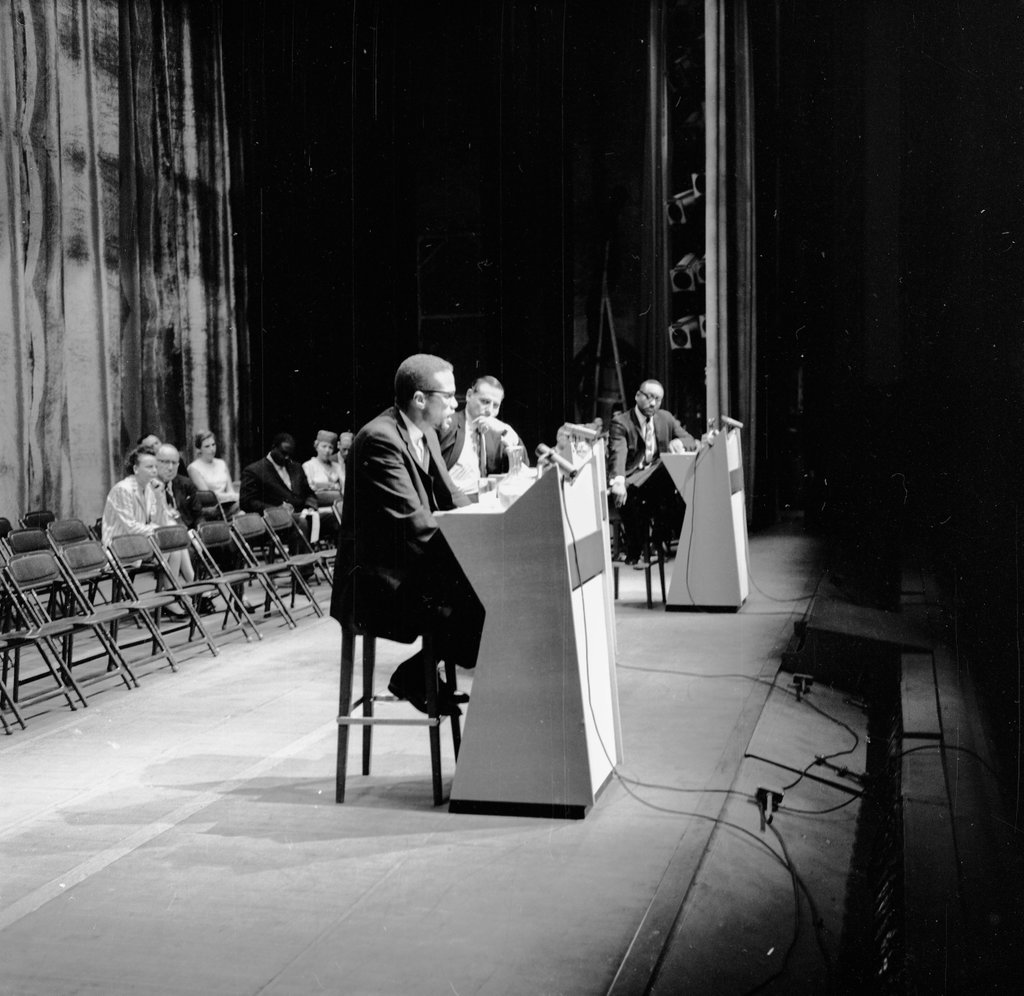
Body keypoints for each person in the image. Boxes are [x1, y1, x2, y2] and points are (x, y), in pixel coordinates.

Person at [330, 354, 484, 715]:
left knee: (489, 594)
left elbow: (451, 495)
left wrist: (483, 530)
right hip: (377, 585)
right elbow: (415, 525)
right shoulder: (379, 440)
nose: (455, 403)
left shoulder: (425, 431)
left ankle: (414, 673)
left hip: (409, 568)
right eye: (448, 396)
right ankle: (415, 675)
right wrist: (473, 557)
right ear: (419, 399)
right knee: (483, 599)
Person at [608, 379, 698, 564]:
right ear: (637, 396)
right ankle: (652, 542)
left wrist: (679, 442)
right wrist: (617, 481)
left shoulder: (665, 418)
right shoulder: (621, 423)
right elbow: (618, 453)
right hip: (632, 481)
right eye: (648, 397)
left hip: (656, 481)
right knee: (669, 487)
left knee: (672, 473)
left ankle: (658, 539)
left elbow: (690, 440)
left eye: (658, 399)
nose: (652, 403)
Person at [100, 446, 192, 600]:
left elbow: (160, 521)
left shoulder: (150, 489)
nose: (154, 471)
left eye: (156, 467)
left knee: (175, 548)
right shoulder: (123, 489)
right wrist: (157, 530)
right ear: (136, 469)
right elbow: (131, 527)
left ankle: (170, 594)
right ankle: (175, 593)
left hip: (142, 542)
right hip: (120, 546)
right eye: (149, 467)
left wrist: (159, 496)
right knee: (169, 544)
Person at [438, 375, 526, 500]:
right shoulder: (448, 423)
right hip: (453, 503)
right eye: (485, 402)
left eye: (495, 406)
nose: (490, 411)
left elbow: (522, 471)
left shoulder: (498, 432)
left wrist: (509, 433)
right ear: (469, 395)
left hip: (488, 501)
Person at [187, 431, 239, 516]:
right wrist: (234, 497)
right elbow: (208, 496)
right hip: (211, 507)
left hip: (228, 504)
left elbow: (230, 490)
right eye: (207, 446)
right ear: (199, 449)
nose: (212, 449)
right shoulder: (193, 468)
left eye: (213, 445)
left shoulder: (221, 463)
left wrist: (234, 497)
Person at [156, 443, 202, 531]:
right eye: (166, 462)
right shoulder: (147, 487)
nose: (170, 467)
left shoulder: (186, 484)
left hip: (187, 534)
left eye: (174, 463)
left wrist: (200, 533)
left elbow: (198, 516)